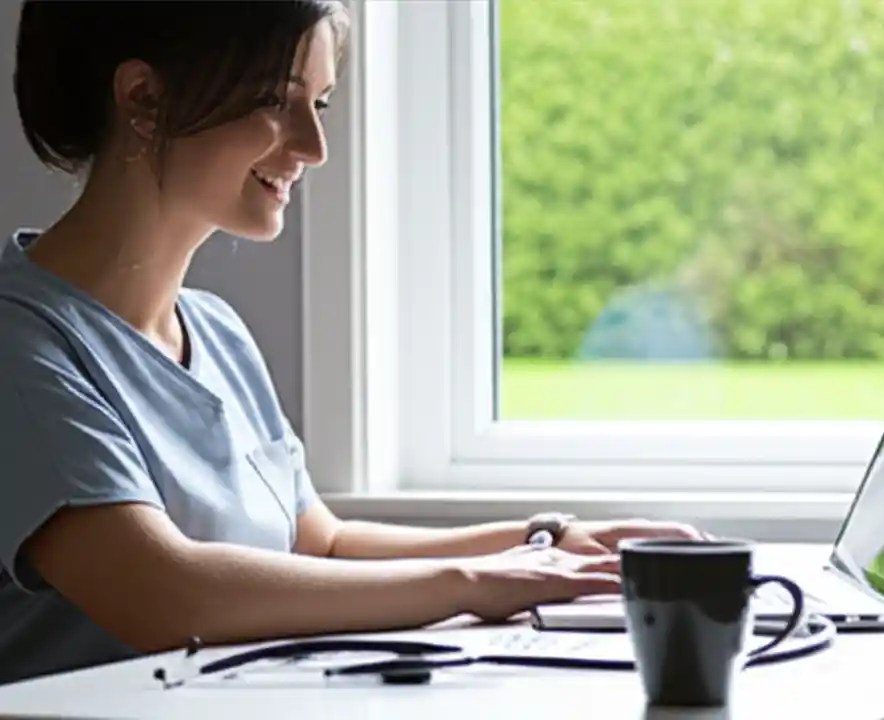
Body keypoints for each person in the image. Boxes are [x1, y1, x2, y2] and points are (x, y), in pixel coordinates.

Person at [0, 1, 700, 686]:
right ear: (145, 99)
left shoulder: (216, 332)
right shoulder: (18, 343)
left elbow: (322, 545)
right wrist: (476, 581)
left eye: (322, 105)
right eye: (276, 100)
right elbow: (166, 592)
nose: (313, 147)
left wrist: (543, 539)